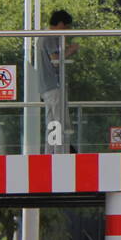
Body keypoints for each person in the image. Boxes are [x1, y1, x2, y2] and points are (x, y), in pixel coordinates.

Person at [37, 10, 78, 154]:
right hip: (54, 86)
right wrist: (71, 50)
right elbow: (55, 60)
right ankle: (61, 155)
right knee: (61, 123)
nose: (68, 31)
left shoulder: (43, 36)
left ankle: (50, 155)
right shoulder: (51, 37)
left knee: (52, 124)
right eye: (67, 27)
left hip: (45, 87)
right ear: (60, 24)